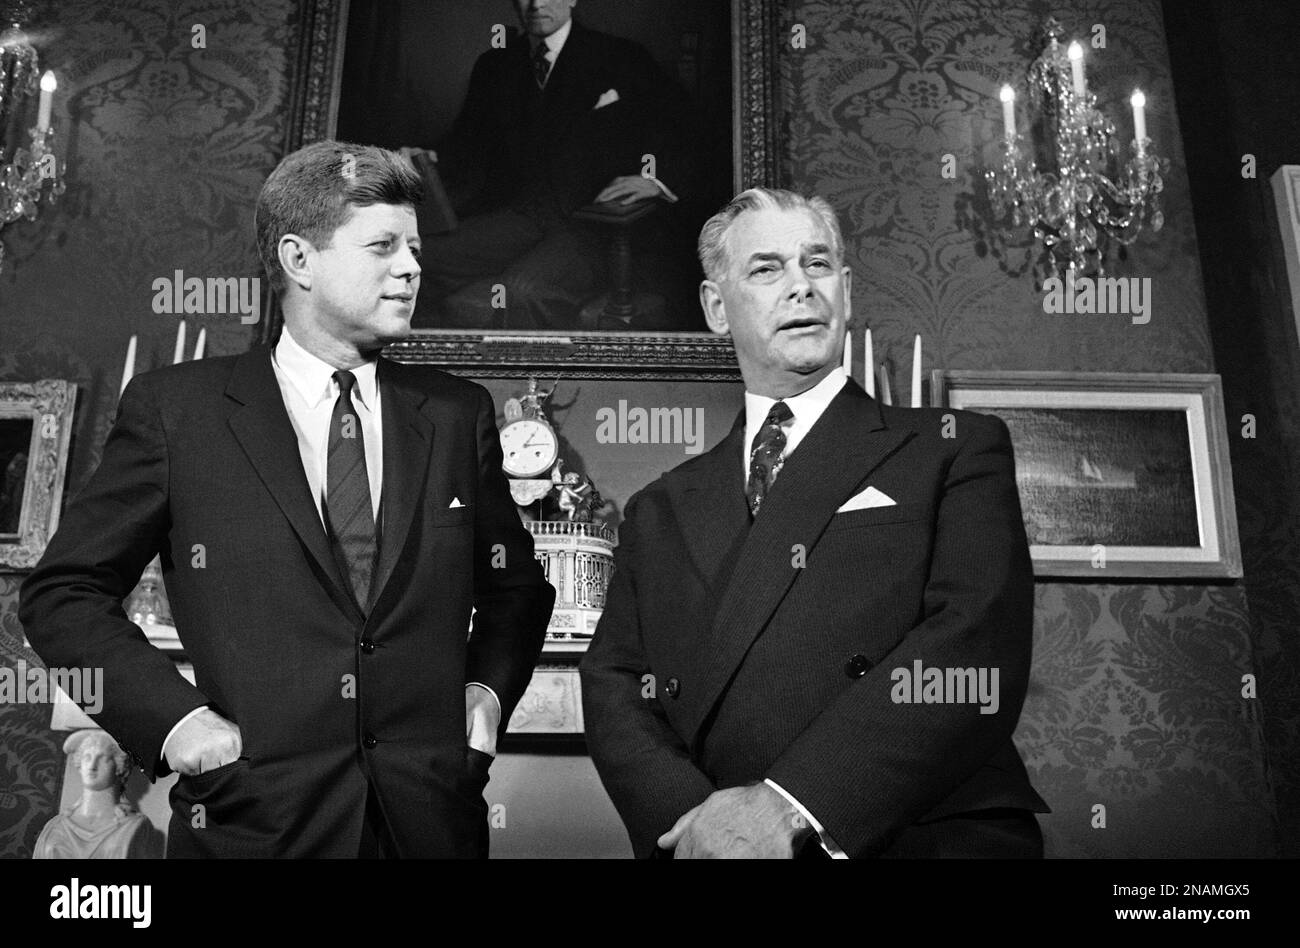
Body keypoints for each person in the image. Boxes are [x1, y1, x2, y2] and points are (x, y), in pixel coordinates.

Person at [20, 141, 555, 858]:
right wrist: (178, 726)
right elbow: (63, 592)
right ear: (298, 260)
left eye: (416, 249)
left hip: (431, 826)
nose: (412, 268)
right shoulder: (180, 413)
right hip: (251, 826)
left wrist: (486, 699)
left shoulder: (457, 414)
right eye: (383, 246)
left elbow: (516, 590)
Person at [579, 188, 1050, 858]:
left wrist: (794, 804)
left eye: (818, 264)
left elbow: (971, 646)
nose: (801, 286)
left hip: (923, 838)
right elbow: (614, 684)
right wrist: (697, 828)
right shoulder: (660, 506)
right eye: (766, 269)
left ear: (847, 292)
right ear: (717, 307)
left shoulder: (954, 447)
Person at [416, 0, 693, 329]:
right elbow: (465, 144)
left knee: (524, 292)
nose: (536, 3)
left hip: (593, 226)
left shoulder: (621, 56)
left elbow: (687, 132)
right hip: (517, 217)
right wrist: (423, 158)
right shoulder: (496, 64)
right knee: (418, 259)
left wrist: (656, 180)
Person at [34, 729, 163, 859]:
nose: (92, 766)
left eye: (103, 758)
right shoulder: (55, 827)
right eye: (87, 757)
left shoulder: (135, 826)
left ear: (119, 766)